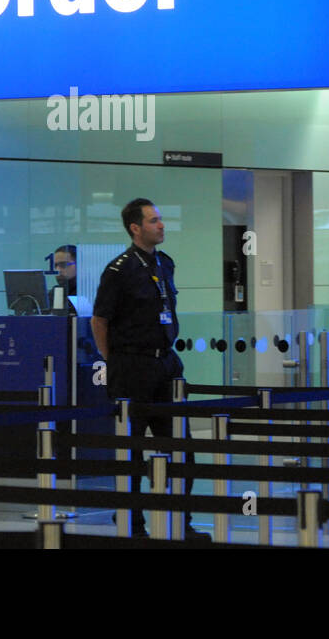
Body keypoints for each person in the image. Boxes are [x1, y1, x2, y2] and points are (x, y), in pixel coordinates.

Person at [91, 198, 210, 542]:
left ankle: (182, 521)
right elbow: (100, 320)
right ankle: (132, 523)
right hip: (132, 364)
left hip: (166, 363)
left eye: (160, 219)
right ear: (135, 228)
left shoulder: (165, 263)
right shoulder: (119, 270)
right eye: (154, 220)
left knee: (180, 446)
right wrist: (114, 360)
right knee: (132, 449)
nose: (161, 225)